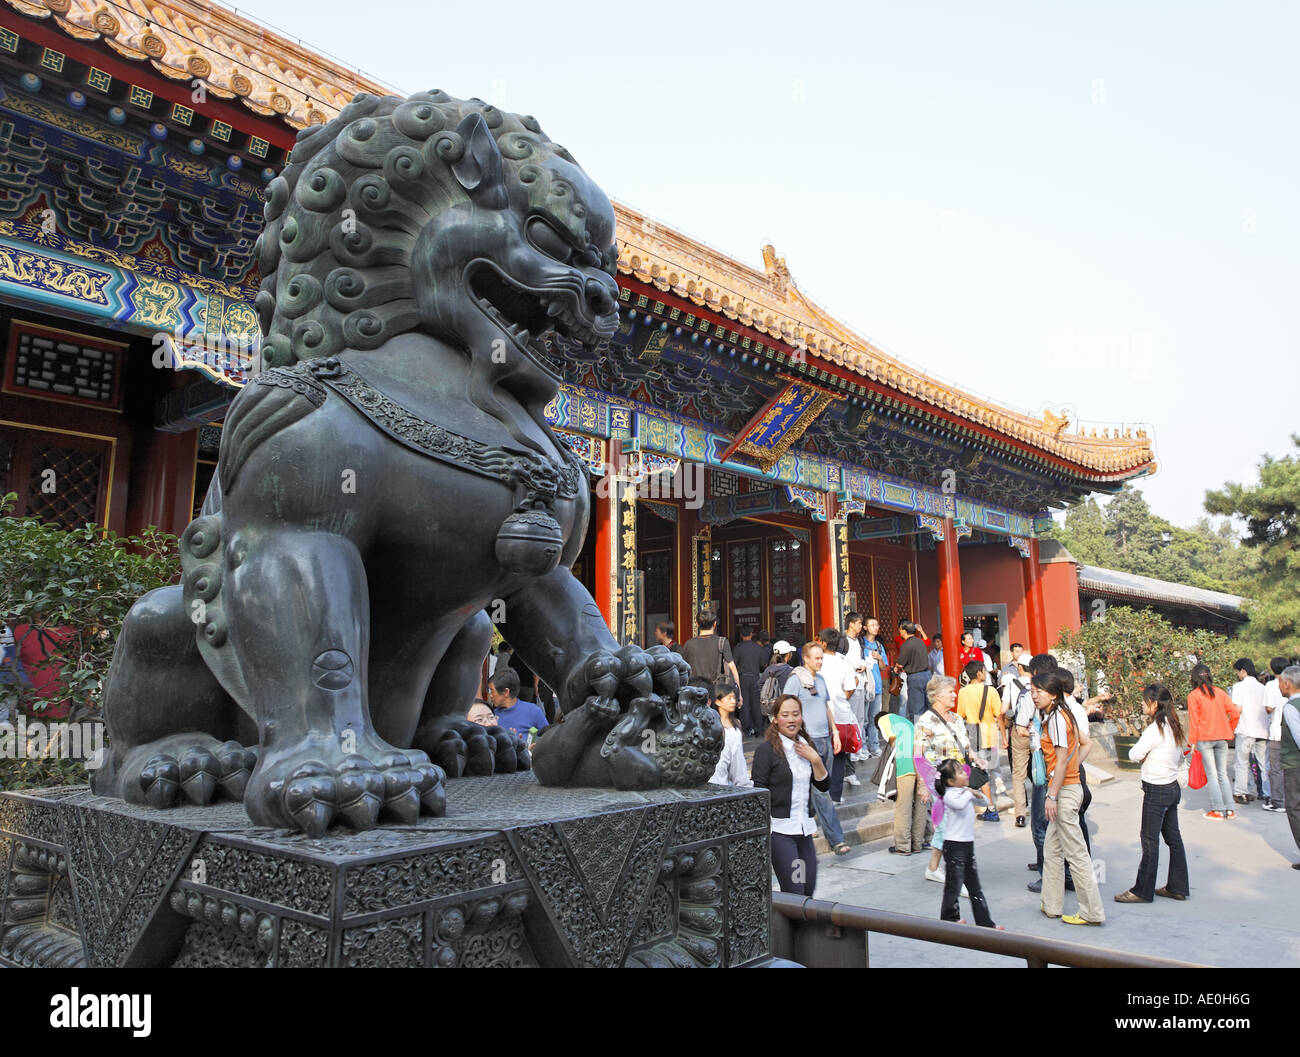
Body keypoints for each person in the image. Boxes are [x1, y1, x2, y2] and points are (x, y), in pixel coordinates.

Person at [1033, 669, 1105, 926]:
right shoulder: (1063, 715)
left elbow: (1062, 758)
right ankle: (1051, 904)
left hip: (1063, 792)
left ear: (1052, 694)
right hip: (1065, 786)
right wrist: (1069, 770)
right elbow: (1085, 745)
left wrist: (1052, 793)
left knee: (1076, 854)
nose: (1034, 695)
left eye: (1038, 691)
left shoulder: (1056, 719)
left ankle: (1091, 911)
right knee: (1052, 849)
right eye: (1033, 690)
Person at [1115, 684, 1190, 903]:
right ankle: (1178, 886)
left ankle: (1142, 891)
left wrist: (1146, 756)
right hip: (1171, 788)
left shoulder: (1154, 729)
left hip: (1156, 790)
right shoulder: (1173, 725)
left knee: (1149, 841)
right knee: (1173, 838)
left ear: (1154, 704)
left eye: (1144, 700)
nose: (1142, 703)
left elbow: (1134, 753)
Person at [752, 694, 832, 894]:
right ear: (776, 720)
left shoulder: (806, 747)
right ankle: (792, 925)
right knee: (796, 892)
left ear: (801, 718)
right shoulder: (767, 751)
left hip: (804, 831)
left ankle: (800, 925)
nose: (791, 720)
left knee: (808, 889)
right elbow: (758, 793)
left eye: (795, 714)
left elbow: (823, 786)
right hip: (781, 833)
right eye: (785, 715)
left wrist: (816, 760)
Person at [915, 674, 988, 886]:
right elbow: (917, 755)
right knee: (948, 823)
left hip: (959, 779)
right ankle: (943, 868)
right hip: (937, 780)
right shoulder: (925, 721)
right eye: (950, 692)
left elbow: (965, 746)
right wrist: (922, 785)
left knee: (953, 824)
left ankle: (937, 867)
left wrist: (976, 759)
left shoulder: (956, 719)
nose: (954, 695)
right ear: (937, 696)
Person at [782, 642, 851, 855]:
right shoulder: (795, 681)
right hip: (806, 742)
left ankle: (808, 824)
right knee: (822, 791)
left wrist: (836, 732)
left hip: (825, 739)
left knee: (815, 786)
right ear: (806, 659)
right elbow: (784, 708)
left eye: (821, 658)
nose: (820, 661)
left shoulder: (820, 680)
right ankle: (836, 840)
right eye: (817, 658)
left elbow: (826, 706)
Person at [935, 758, 1003, 929]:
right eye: (960, 773)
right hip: (954, 846)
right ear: (951, 781)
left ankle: (985, 922)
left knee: (975, 887)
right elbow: (958, 804)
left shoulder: (964, 792)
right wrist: (968, 792)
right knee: (954, 885)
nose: (965, 774)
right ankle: (948, 918)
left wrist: (976, 793)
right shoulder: (950, 795)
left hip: (967, 845)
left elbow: (985, 802)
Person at [1186, 663, 1241, 820]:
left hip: (1204, 739)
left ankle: (1217, 809)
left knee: (1212, 775)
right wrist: (1229, 730)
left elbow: (1194, 722)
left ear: (1194, 678)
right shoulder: (1221, 693)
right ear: (1209, 676)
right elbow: (1235, 713)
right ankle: (1230, 809)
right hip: (1222, 738)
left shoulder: (1193, 696)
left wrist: (1192, 743)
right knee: (1222, 774)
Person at [956, 661, 1005, 816]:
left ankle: (985, 806)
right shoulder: (991, 691)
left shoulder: (963, 692)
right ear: (978, 673)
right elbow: (999, 715)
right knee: (988, 770)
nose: (986, 673)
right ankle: (990, 806)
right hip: (989, 733)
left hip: (972, 733)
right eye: (984, 671)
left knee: (979, 770)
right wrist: (1004, 736)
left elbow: (960, 716)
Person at [877, 711, 929, 855]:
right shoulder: (906, 721)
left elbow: (892, 739)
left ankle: (903, 846)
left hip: (904, 764)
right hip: (920, 764)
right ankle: (917, 844)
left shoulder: (883, 720)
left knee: (903, 807)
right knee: (921, 806)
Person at [818, 627, 859, 800]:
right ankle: (835, 795)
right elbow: (850, 688)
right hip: (841, 714)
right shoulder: (844, 663)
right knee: (839, 756)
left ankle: (821, 793)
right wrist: (842, 696)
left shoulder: (817, 662)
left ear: (823, 643)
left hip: (820, 716)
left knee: (821, 755)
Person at [1231, 658, 1271, 805]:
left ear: (1243, 671)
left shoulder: (1239, 687)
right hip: (1262, 730)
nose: (1237, 675)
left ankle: (1241, 792)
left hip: (1245, 729)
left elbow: (1238, 709)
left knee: (1242, 763)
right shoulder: (1263, 687)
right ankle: (1266, 793)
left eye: (1237, 672)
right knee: (1263, 764)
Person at [680, 610, 743, 700]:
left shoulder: (688, 644)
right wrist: (739, 693)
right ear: (714, 624)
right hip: (715, 692)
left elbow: (683, 670)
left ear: (697, 624)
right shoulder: (722, 642)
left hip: (695, 692)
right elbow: (732, 668)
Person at [1003, 652, 1035, 828]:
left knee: (1018, 774)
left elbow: (1004, 708)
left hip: (1018, 730)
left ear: (1020, 668)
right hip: (1036, 729)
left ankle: (1020, 814)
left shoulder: (1011, 685)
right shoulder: (1039, 685)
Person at [1276, 666, 1300, 870]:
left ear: (1288, 684)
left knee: (1294, 807)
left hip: (1295, 764)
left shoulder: (1291, 707)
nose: (1278, 686)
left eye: (1280, 682)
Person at [708, 680, 753, 787]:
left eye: (734, 697)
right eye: (729, 698)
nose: (733, 701)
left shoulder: (736, 725)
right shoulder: (712, 725)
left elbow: (738, 763)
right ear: (718, 701)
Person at [487, 668, 549, 741]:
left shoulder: (533, 711)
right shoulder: (491, 716)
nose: (490, 695)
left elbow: (548, 738)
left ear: (506, 692)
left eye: (492, 690)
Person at [1263, 656, 1289, 812]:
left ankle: (1278, 802)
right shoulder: (1294, 683)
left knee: (1276, 769)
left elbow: (1268, 708)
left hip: (1276, 733)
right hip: (1291, 732)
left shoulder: (1272, 685)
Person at [860, 616, 890, 751]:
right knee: (863, 719)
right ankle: (863, 747)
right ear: (865, 627)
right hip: (864, 686)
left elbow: (884, 667)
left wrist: (879, 658)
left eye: (876, 625)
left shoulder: (879, 646)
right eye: (872, 625)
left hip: (876, 686)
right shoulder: (859, 644)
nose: (875, 627)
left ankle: (874, 745)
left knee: (874, 718)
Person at [732, 627, 766, 737]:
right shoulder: (758, 648)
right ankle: (759, 729)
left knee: (744, 704)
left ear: (741, 635)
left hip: (742, 678)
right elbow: (763, 664)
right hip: (755, 677)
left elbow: (733, 664)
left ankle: (746, 730)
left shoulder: (737, 648)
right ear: (751, 634)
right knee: (756, 704)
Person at [897, 622, 932, 720]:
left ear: (904, 631)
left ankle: (919, 732)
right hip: (927, 675)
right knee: (929, 706)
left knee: (917, 709)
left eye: (900, 629)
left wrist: (896, 666)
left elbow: (901, 664)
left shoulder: (906, 645)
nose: (899, 632)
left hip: (915, 677)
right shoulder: (920, 642)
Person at [758, 640, 797, 719]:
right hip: (788, 707)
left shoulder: (768, 669)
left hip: (772, 708)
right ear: (788, 655)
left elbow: (760, 685)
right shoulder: (791, 671)